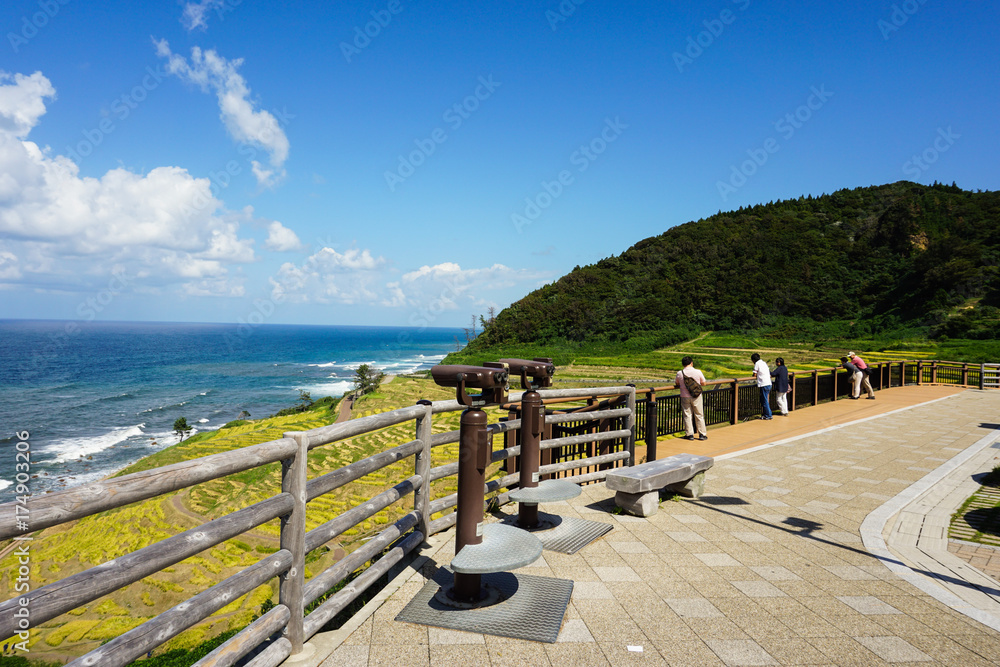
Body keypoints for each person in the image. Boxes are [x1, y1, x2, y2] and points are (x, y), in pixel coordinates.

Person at [674, 355, 708, 440]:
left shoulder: (679, 373)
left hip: (684, 396)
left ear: (683, 364)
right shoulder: (698, 371)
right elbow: (703, 383)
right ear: (691, 363)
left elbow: (677, 383)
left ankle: (689, 434)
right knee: (699, 414)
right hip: (696, 396)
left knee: (687, 415)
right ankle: (702, 434)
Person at [751, 353, 773, 419]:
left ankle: (768, 415)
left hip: (764, 384)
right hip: (768, 383)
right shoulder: (763, 362)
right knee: (765, 399)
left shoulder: (757, 364)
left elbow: (754, 374)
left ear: (753, 360)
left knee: (764, 400)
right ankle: (767, 414)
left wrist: (753, 376)